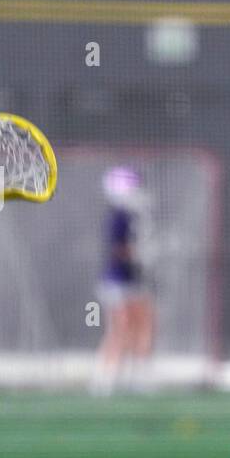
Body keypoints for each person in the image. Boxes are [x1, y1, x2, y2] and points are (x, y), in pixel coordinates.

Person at [90, 165, 156, 395]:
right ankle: (105, 378)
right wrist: (139, 253)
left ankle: (139, 377)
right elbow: (118, 250)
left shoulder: (133, 216)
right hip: (118, 281)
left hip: (135, 280)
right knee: (121, 329)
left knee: (145, 325)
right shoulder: (118, 217)